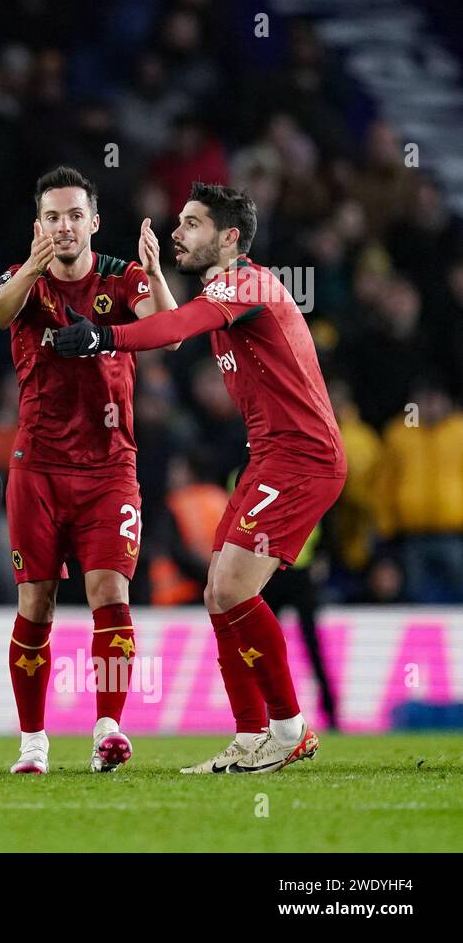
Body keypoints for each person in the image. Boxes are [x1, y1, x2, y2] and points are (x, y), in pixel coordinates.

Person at [54, 182, 347, 774]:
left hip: (302, 457)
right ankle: (249, 735)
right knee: (219, 592)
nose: (177, 231)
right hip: (269, 455)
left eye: (191, 224)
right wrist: (156, 278)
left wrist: (102, 337)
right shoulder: (224, 291)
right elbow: (175, 321)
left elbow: (171, 330)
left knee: (234, 589)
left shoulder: (248, 283)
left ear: (229, 237)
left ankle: (288, 728)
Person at [0, 166, 179, 774]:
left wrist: (153, 276)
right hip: (37, 468)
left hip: (109, 468)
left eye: (74, 216)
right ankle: (33, 744)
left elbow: (169, 334)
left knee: (110, 595)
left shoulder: (122, 277)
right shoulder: (21, 282)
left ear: (93, 223)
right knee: (36, 604)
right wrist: (32, 268)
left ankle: (107, 729)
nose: (64, 226)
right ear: (38, 225)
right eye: (52, 217)